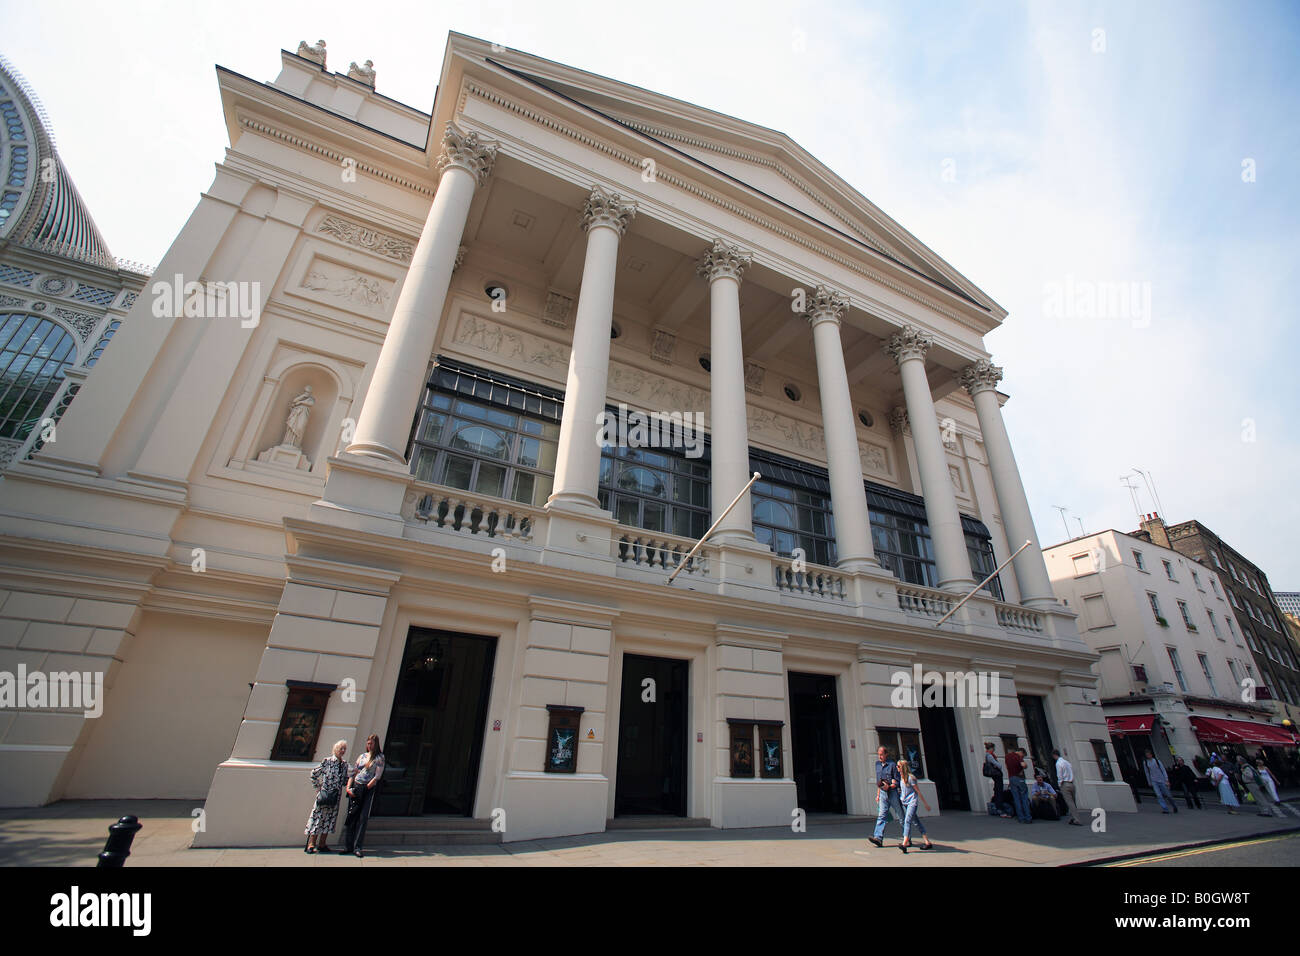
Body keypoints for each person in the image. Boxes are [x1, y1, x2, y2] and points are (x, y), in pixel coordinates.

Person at [343, 733, 385, 857]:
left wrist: (366, 789)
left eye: (371, 743)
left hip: (367, 788)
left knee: (363, 817)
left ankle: (358, 847)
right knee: (352, 816)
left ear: (376, 744)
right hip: (356, 787)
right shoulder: (362, 756)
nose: (369, 745)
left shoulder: (379, 757)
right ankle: (348, 846)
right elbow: (354, 772)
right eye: (368, 743)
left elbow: (377, 776)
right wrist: (349, 787)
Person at [305, 739, 349, 853]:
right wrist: (318, 788)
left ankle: (322, 844)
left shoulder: (344, 765)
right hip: (324, 794)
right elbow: (314, 773)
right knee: (318, 818)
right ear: (335, 749)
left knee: (329, 819)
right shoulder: (327, 761)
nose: (342, 751)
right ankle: (311, 844)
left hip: (335, 796)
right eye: (341, 748)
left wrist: (353, 778)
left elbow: (344, 781)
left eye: (344, 749)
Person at [867, 745, 903, 847]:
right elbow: (879, 781)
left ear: (886, 754)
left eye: (881, 754)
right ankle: (878, 838)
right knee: (882, 815)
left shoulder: (892, 765)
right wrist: (878, 794)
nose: (880, 757)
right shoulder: (877, 764)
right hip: (883, 793)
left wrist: (891, 786)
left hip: (892, 793)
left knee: (900, 815)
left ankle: (906, 838)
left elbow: (897, 780)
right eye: (878, 755)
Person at [896, 759, 934, 852]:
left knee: (907, 821)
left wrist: (925, 804)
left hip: (912, 803)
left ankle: (904, 843)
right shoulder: (901, 777)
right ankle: (927, 842)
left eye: (898, 766)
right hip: (905, 803)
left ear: (903, 767)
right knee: (916, 822)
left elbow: (918, 791)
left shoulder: (910, 778)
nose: (897, 768)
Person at [1052, 749, 1084, 825]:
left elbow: (1059, 776)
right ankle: (1073, 817)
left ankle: (1077, 819)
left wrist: (1059, 785)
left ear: (1054, 755)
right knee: (1073, 802)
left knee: (1070, 803)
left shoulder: (1058, 764)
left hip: (1065, 784)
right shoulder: (1067, 762)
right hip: (1071, 783)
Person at [1143, 749, 1177, 814]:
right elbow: (1147, 772)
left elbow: (1163, 770)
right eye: (1147, 755)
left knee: (1168, 795)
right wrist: (1149, 782)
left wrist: (1166, 780)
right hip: (1154, 781)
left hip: (1162, 780)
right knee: (1158, 795)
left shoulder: (1157, 761)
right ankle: (1165, 809)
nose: (1148, 756)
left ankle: (1174, 805)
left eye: (1149, 754)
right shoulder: (1145, 763)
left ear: (1151, 755)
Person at [1005, 745, 1032, 823]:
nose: (1023, 757)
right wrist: (1023, 768)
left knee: (1016, 799)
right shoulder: (1018, 757)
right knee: (1024, 798)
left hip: (1011, 778)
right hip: (1019, 778)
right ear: (1021, 752)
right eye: (1023, 755)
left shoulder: (1007, 756)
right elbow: (1024, 765)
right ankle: (1028, 817)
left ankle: (1021, 818)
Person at [983, 742, 1010, 818]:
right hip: (996, 775)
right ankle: (1000, 809)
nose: (994, 749)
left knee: (997, 790)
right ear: (991, 748)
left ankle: (999, 808)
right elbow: (999, 765)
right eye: (993, 748)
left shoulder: (988, 755)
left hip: (995, 775)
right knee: (999, 791)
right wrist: (999, 765)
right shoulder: (990, 755)